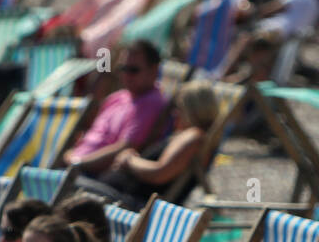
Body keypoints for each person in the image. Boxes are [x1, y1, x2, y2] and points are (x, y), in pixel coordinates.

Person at [75, 81, 219, 208]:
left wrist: (129, 160)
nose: (175, 113)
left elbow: (160, 173)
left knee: (70, 184)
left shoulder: (193, 136)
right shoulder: (188, 136)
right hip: (121, 194)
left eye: (179, 108)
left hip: (131, 201)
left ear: (192, 110)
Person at [64, 40, 167, 176]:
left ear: (153, 71)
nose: (126, 75)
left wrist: (78, 163)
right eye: (123, 69)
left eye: (133, 70)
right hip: (74, 167)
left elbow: (125, 148)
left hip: (88, 174)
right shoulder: (117, 97)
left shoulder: (150, 102)